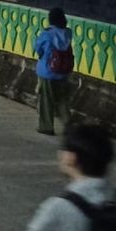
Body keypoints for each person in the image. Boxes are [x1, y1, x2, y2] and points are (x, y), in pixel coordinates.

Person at [33, 7, 75, 135]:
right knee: (62, 100)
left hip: (47, 72)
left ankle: (46, 127)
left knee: (46, 100)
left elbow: (37, 48)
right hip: (63, 72)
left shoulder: (47, 33)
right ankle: (68, 123)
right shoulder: (68, 33)